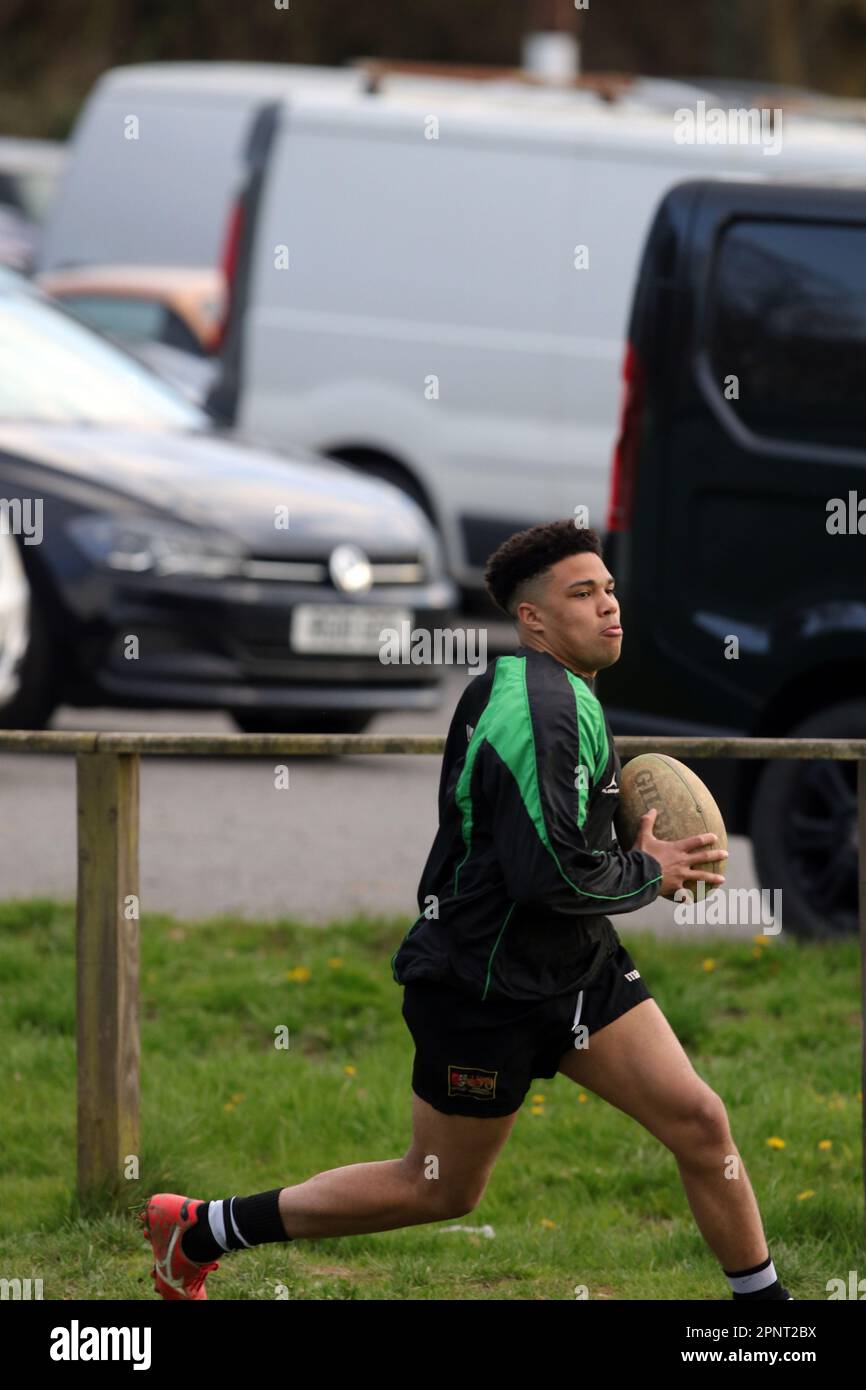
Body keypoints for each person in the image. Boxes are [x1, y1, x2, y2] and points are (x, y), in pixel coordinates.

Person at [140, 519, 792, 1301]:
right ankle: (202, 1228)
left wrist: (634, 851)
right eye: (582, 595)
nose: (608, 607)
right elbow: (543, 875)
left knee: (699, 1123)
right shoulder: (540, 713)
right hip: (483, 983)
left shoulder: (549, 688)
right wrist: (648, 872)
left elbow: (561, 850)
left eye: (609, 589)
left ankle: (766, 1320)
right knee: (438, 1188)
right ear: (533, 619)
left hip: (575, 962)